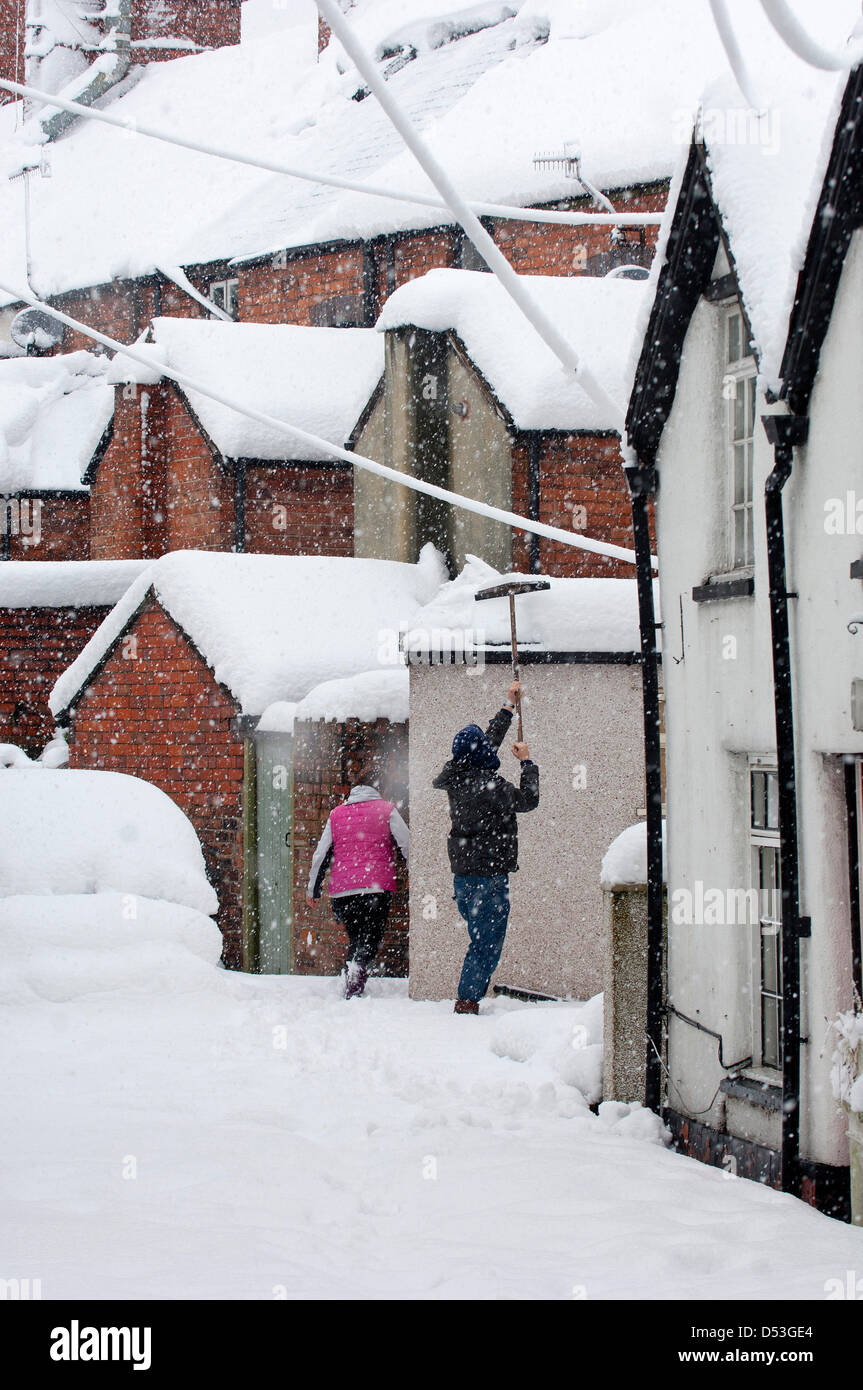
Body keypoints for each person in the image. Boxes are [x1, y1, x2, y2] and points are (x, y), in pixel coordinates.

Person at [433, 680, 539, 1014]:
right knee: (486, 946)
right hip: (489, 878)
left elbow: (486, 745)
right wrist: (527, 764)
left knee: (480, 940)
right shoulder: (490, 785)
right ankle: (467, 1003)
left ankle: (469, 998)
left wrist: (508, 706)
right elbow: (528, 801)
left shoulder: (456, 776)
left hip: (463, 879)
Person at [306, 776, 409, 999]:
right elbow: (407, 843)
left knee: (356, 936)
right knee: (371, 936)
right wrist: (415, 871)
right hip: (375, 888)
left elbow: (321, 854)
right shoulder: (386, 809)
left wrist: (313, 889)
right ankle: (355, 978)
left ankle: (352, 974)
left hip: (343, 891)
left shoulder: (336, 814)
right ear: (377, 789)